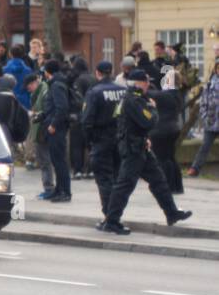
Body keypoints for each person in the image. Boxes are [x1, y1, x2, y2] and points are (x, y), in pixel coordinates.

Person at [100, 69, 191, 234]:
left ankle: (171, 213)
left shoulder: (131, 98)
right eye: (146, 81)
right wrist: (153, 108)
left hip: (140, 145)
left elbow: (129, 123)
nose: (149, 84)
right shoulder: (133, 100)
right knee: (124, 186)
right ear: (137, 83)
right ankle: (111, 221)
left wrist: (144, 137)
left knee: (159, 180)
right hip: (133, 149)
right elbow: (148, 121)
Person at [81, 61, 125, 217]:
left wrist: (89, 143)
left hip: (101, 140)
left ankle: (109, 214)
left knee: (104, 180)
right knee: (118, 179)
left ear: (97, 73)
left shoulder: (94, 92)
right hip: (120, 140)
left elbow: (86, 121)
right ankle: (116, 213)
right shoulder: (123, 90)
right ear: (111, 71)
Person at [39, 59, 72, 202]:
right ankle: (59, 189)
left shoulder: (56, 85)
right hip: (55, 127)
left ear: (47, 72)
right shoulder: (57, 83)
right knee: (56, 160)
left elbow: (62, 108)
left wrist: (53, 124)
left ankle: (65, 191)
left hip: (56, 129)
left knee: (60, 161)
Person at [148, 74, 183, 195]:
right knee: (171, 158)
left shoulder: (167, 95)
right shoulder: (177, 94)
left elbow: (152, 94)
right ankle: (177, 186)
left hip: (162, 130)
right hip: (173, 128)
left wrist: (144, 85)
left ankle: (166, 187)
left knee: (162, 159)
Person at [187, 49, 219, 177]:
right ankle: (195, 168)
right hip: (211, 121)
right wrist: (205, 117)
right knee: (205, 146)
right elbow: (203, 104)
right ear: (215, 70)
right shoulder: (209, 85)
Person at [26, 73, 54, 195]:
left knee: (45, 160)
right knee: (42, 160)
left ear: (34, 83)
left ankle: (49, 188)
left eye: (29, 87)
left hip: (43, 130)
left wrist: (35, 114)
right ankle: (47, 187)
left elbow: (45, 110)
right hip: (38, 130)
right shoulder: (36, 93)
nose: (29, 90)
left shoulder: (44, 91)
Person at [69, 57, 94, 178]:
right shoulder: (94, 78)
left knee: (77, 145)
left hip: (80, 116)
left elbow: (77, 99)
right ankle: (91, 170)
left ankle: (78, 170)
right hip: (93, 116)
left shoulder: (78, 80)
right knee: (90, 145)